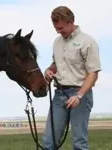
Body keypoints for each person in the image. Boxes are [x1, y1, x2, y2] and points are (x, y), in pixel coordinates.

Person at [42, 6, 101, 150]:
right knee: (49, 141)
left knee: (79, 142)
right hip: (59, 94)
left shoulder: (88, 42)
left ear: (71, 21)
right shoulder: (57, 42)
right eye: (56, 28)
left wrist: (79, 96)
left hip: (80, 94)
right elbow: (56, 64)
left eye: (61, 28)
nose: (58, 31)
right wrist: (49, 71)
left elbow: (93, 74)